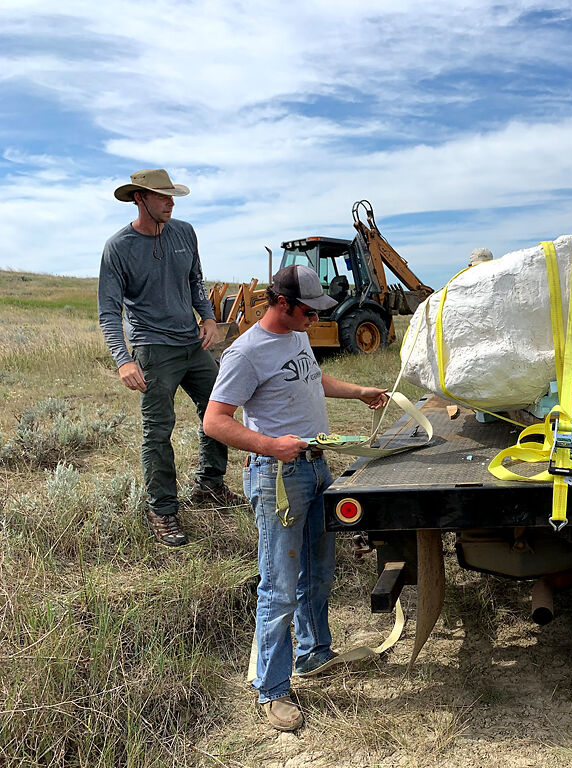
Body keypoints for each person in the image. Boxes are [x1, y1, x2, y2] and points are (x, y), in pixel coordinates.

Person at [203, 264, 388, 732]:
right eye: (308, 310)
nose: (316, 318)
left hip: (315, 465)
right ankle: (272, 689)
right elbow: (215, 421)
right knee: (280, 585)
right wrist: (269, 446)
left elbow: (312, 380)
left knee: (318, 570)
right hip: (277, 476)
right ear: (280, 304)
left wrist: (359, 391)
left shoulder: (298, 336)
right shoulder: (244, 354)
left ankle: (314, 654)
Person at [99, 168, 241, 548]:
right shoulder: (119, 247)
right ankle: (161, 509)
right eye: (162, 196)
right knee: (157, 429)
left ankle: (210, 485)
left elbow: (196, 280)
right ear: (139, 199)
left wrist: (208, 317)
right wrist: (123, 359)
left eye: (172, 196)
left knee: (219, 410)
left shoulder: (184, 232)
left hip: (193, 344)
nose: (171, 202)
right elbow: (109, 311)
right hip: (152, 348)